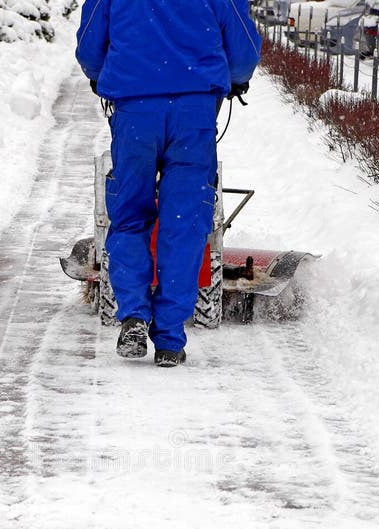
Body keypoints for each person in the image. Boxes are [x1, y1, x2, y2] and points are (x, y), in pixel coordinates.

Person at [76, 0, 261, 367]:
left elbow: (90, 47)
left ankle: (133, 316)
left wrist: (103, 76)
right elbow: (243, 49)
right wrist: (236, 79)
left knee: (130, 214)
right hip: (194, 112)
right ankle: (170, 339)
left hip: (134, 110)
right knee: (185, 221)